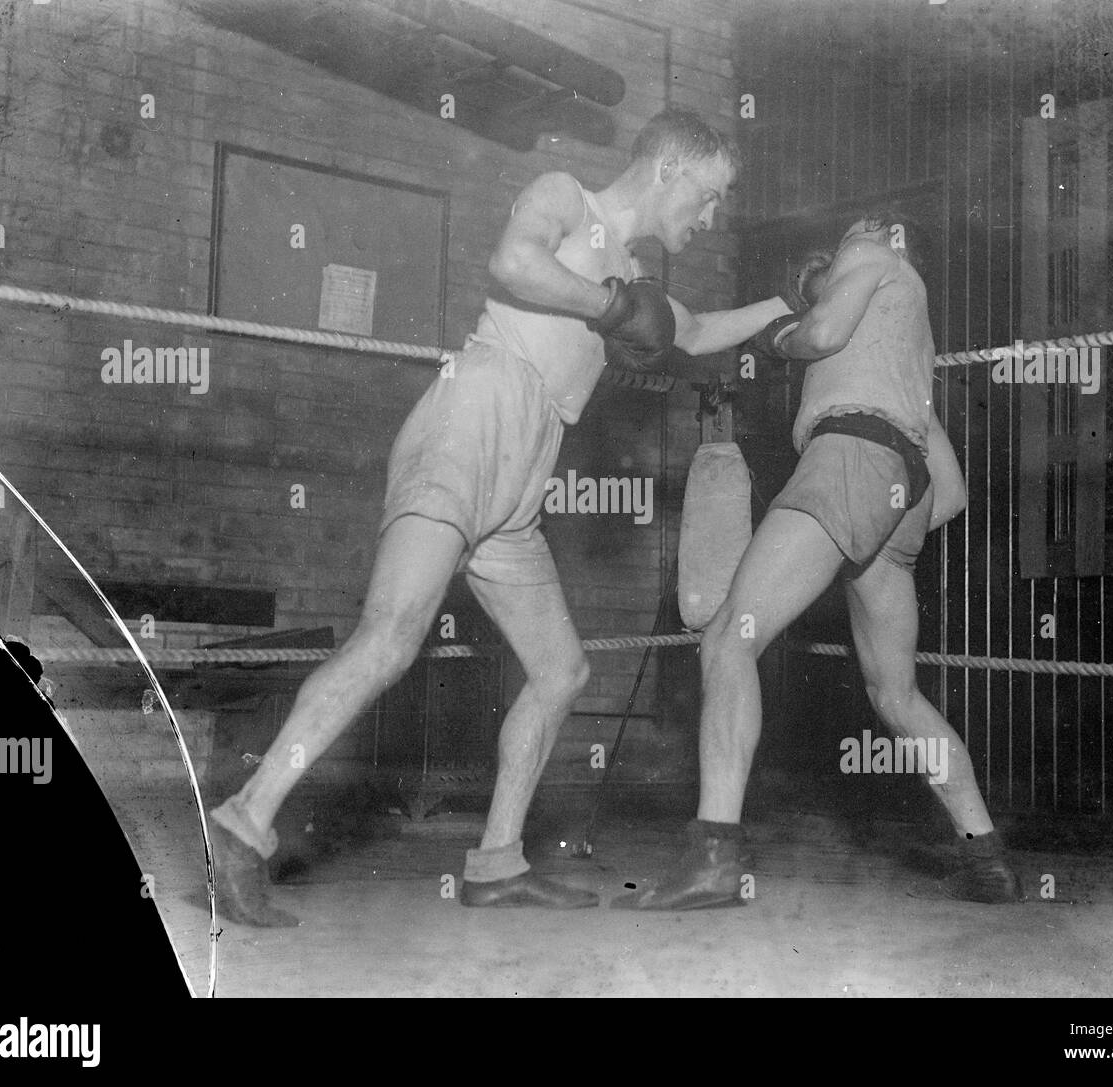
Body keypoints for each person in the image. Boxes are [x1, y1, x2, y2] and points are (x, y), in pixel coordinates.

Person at [208, 108, 794, 925]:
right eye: (710, 194)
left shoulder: (632, 273)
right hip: (471, 418)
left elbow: (692, 332)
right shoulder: (566, 197)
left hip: (524, 471)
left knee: (561, 670)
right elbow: (513, 262)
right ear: (669, 169)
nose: (712, 215)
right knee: (390, 637)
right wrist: (609, 306)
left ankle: (496, 861)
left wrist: (786, 304)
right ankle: (242, 823)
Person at [619, 210, 1023, 910]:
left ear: (888, 237)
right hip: (901, 497)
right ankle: (988, 858)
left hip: (850, 461)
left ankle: (714, 856)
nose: (833, 261)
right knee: (896, 695)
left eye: (833, 257)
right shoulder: (905, 351)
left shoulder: (873, 251)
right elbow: (951, 494)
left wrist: (783, 340)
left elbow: (823, 333)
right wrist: (863, 529)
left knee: (728, 637)